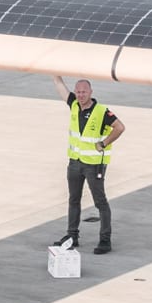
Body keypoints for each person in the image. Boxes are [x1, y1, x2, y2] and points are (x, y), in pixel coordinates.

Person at [52, 76, 126, 254]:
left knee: (100, 202)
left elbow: (120, 127)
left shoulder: (101, 111)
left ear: (91, 92)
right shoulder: (74, 105)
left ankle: (105, 240)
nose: (80, 95)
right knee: (74, 199)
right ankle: (72, 236)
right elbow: (60, 86)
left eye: (84, 92)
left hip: (93, 165)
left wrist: (104, 143)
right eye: (78, 92)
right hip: (75, 162)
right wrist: (54, 73)